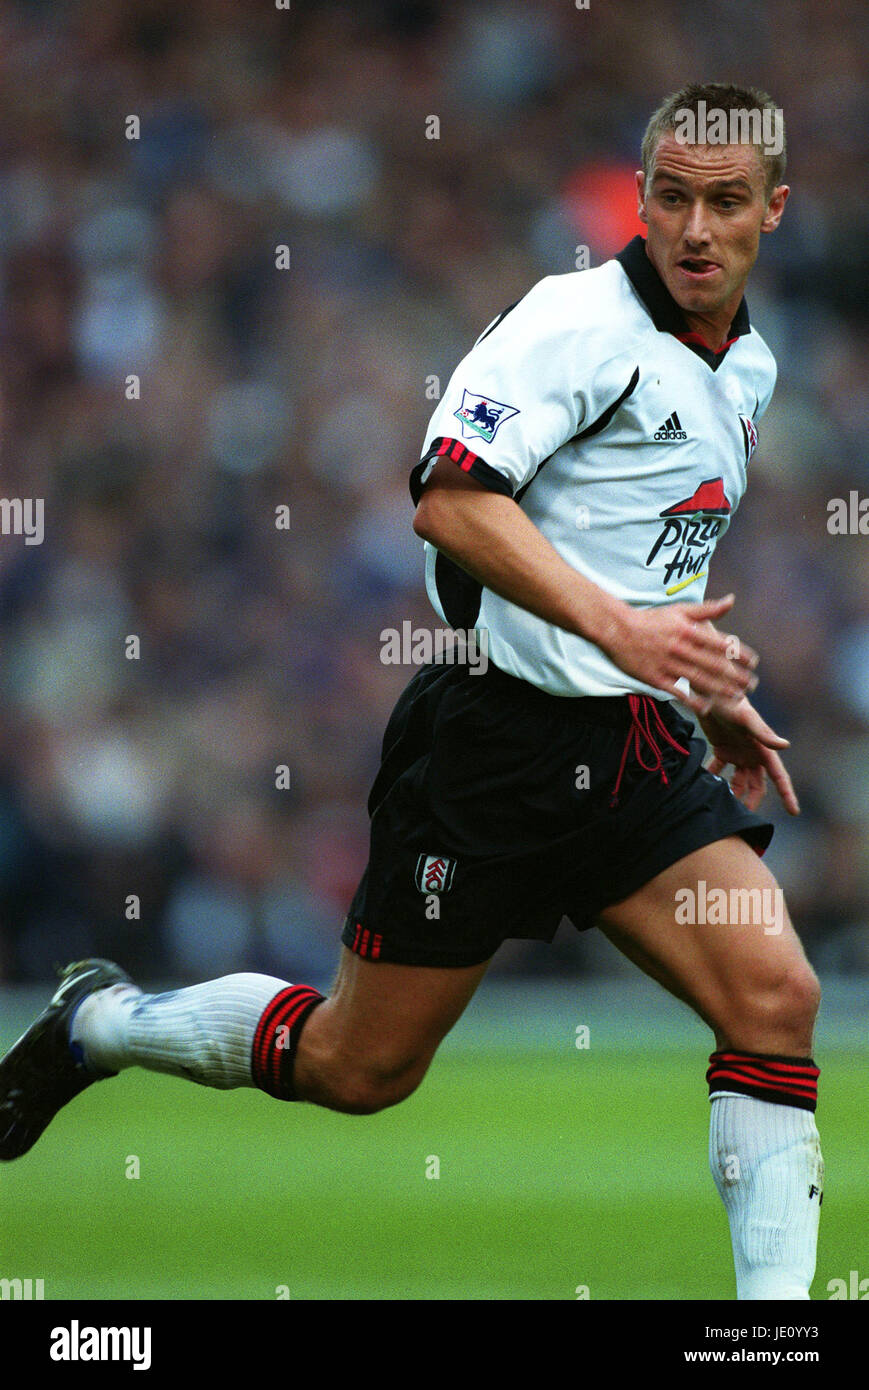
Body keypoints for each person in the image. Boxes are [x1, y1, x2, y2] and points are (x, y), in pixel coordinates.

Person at [0, 82, 823, 1301]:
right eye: (669, 197)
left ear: (772, 210)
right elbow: (448, 499)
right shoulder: (573, 327)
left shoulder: (744, 365)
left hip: (635, 748)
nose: (694, 228)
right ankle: (102, 1024)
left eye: (724, 202)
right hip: (493, 740)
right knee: (359, 1066)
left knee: (774, 995)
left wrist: (694, 691)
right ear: (639, 201)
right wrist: (617, 629)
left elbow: (651, 550)